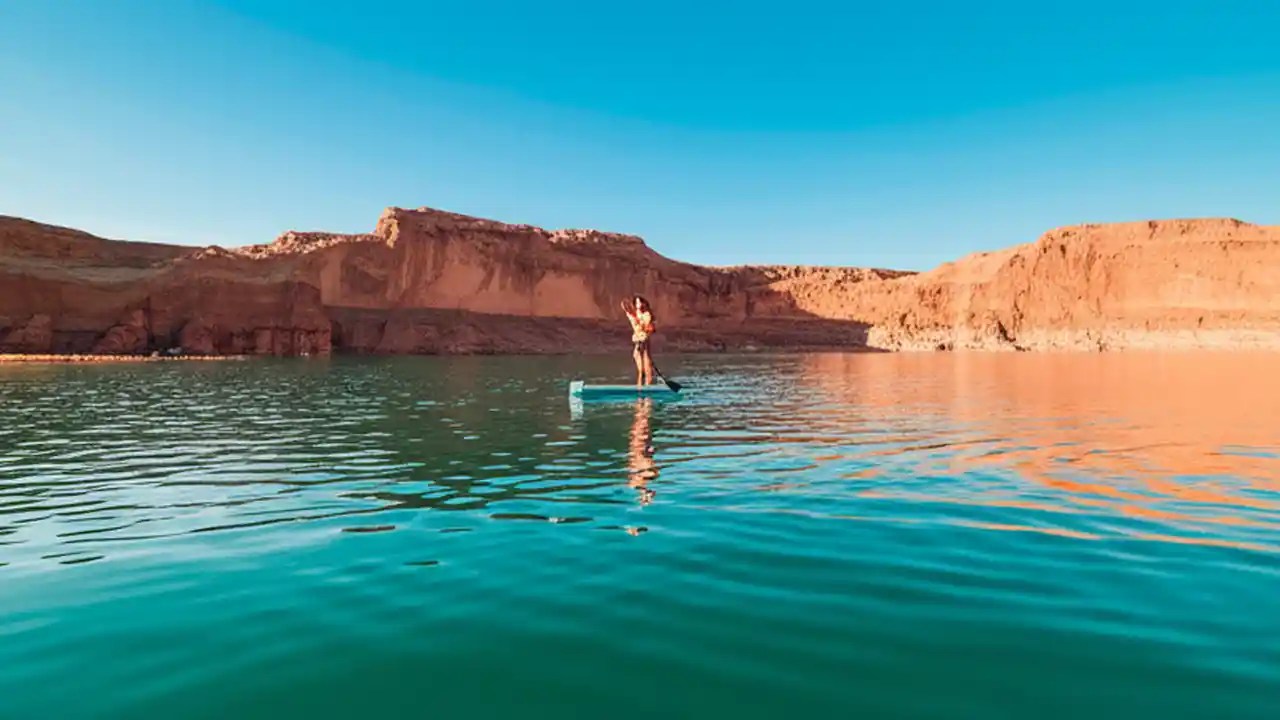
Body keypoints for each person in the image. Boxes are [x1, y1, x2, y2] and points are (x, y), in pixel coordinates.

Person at [621, 295, 656, 387]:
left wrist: (639, 323)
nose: (638, 304)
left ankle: (647, 385)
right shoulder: (634, 314)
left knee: (646, 364)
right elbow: (631, 317)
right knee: (640, 367)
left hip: (644, 340)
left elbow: (648, 328)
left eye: (639, 302)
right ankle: (640, 386)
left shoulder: (646, 314)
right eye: (636, 302)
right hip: (637, 340)